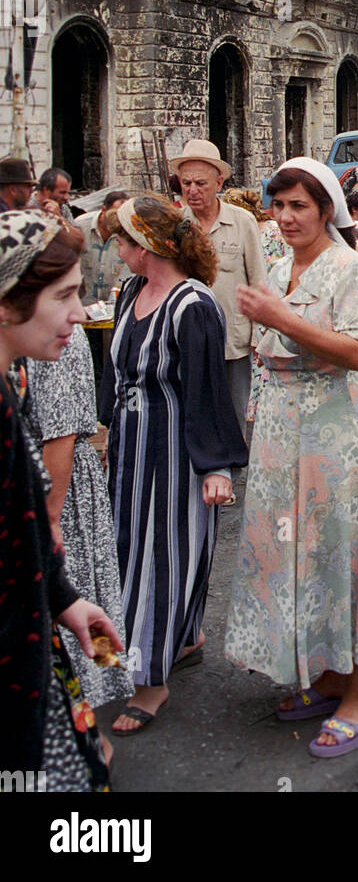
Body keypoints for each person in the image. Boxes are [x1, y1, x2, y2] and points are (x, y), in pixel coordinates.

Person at [224, 158, 358, 757]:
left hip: (336, 433)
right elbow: (264, 354)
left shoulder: (347, 269)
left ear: (325, 211)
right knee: (300, 553)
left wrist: (281, 319)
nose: (286, 217)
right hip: (282, 432)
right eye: (279, 205)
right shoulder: (279, 267)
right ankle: (331, 675)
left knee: (343, 554)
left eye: (300, 206)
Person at [101, 195, 248, 734]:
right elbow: (114, 372)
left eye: (123, 241)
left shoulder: (193, 305)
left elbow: (208, 388)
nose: (117, 250)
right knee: (126, 552)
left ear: (148, 246)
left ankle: (149, 682)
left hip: (175, 451)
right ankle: (184, 640)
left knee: (164, 557)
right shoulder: (131, 292)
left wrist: (216, 466)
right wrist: (104, 428)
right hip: (130, 447)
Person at [0, 211, 123, 787]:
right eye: (64, 296)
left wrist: (64, 599)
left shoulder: (15, 378)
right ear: (8, 303)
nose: (79, 312)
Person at [24, 324, 133, 713]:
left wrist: (51, 518)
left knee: (77, 588)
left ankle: (92, 701)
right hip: (54, 478)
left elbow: (61, 435)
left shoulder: (51, 334)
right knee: (81, 588)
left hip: (59, 483)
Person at [171, 139, 267, 434]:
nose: (192, 190)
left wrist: (258, 336)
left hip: (232, 340)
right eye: (186, 183)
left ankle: (234, 463)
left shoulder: (242, 222)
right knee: (191, 416)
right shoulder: (176, 226)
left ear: (219, 182)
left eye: (200, 183)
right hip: (186, 340)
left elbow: (258, 280)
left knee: (233, 418)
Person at [222, 188, 290, 437]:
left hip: (269, 301)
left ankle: (259, 413)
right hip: (255, 303)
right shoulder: (241, 233)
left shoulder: (268, 230)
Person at [77, 190, 131, 305]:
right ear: (103, 210)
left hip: (110, 306)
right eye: (115, 214)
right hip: (80, 304)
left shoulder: (127, 234)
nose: (119, 220)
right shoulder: (80, 226)